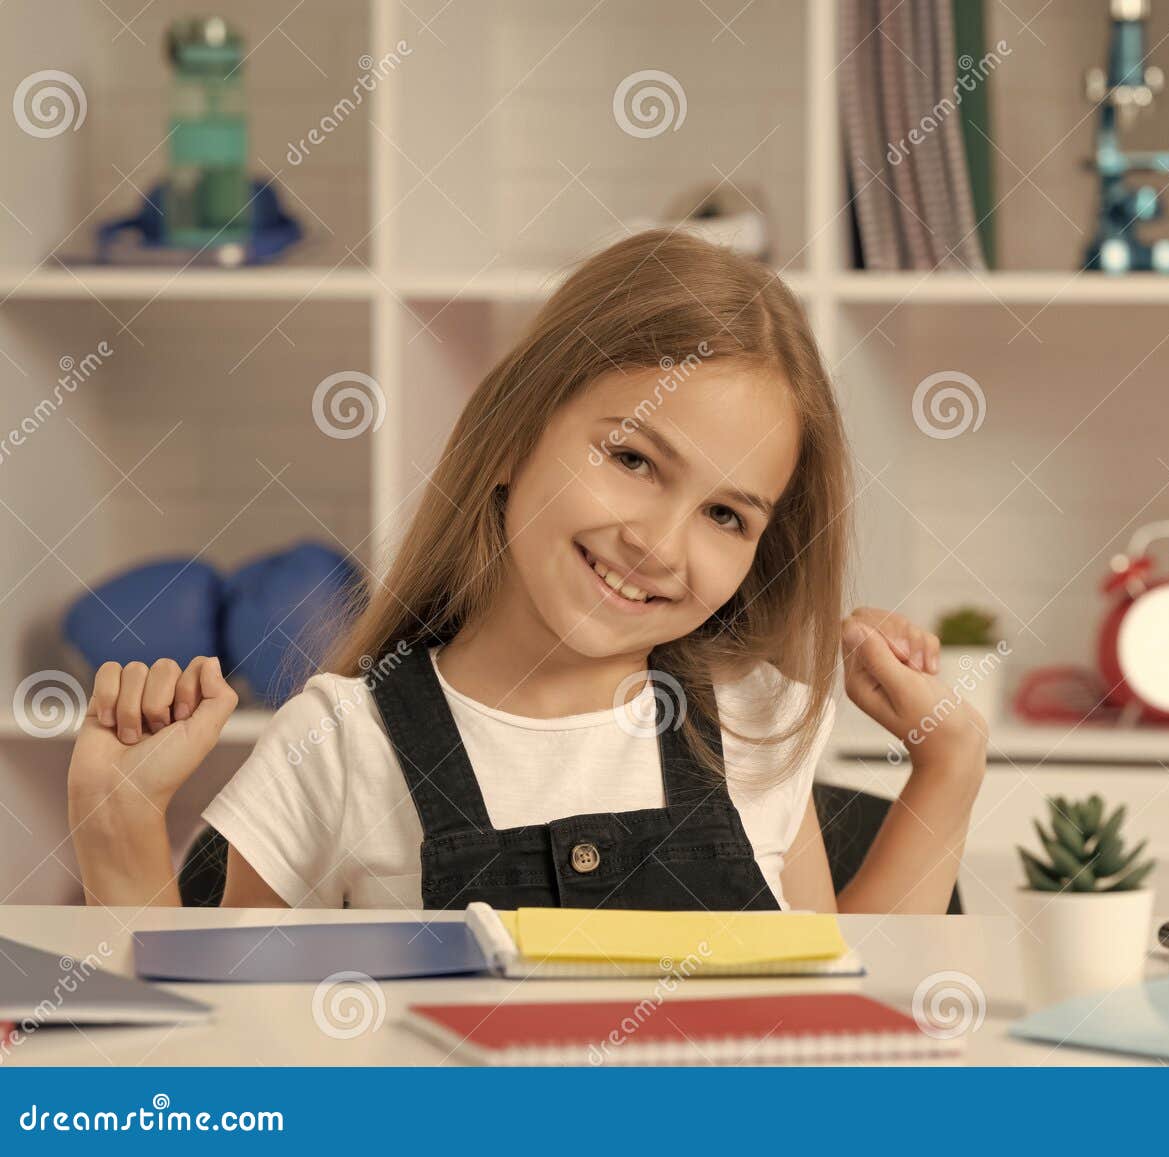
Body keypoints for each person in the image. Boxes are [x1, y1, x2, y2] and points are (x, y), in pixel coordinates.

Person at [67, 229, 988, 913]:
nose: (661, 546)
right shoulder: (340, 745)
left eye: (724, 514)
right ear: (514, 433)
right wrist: (119, 830)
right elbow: (217, 1066)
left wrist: (948, 762)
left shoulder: (756, 725)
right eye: (633, 459)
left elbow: (847, 1020)